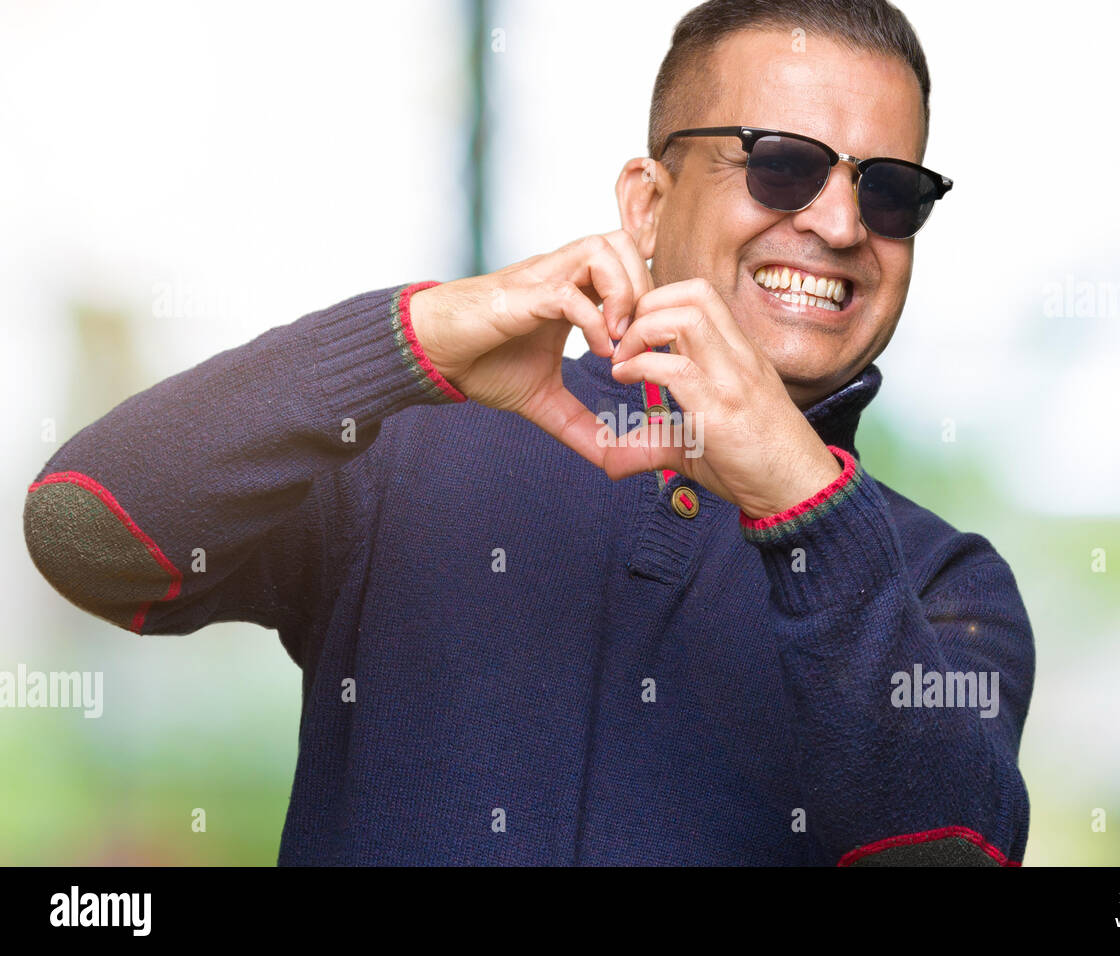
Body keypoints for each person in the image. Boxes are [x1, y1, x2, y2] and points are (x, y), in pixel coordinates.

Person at [24, 0, 1035, 866]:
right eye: (781, 166)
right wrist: (410, 334)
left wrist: (801, 499)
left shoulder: (943, 582)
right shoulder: (411, 453)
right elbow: (89, 529)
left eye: (889, 189)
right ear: (646, 203)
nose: (840, 223)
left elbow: (946, 851)